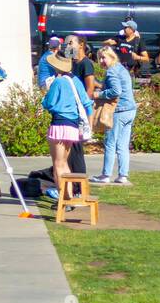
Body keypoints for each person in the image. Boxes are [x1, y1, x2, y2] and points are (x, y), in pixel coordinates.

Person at [41, 52, 93, 194]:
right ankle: (69, 196)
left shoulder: (57, 82)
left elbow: (49, 104)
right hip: (73, 125)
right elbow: (86, 102)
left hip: (59, 124)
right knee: (65, 163)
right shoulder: (75, 80)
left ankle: (63, 198)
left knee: (58, 164)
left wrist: (45, 96)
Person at [90, 45, 138, 186]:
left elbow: (115, 91)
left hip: (119, 110)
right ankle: (123, 175)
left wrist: (98, 94)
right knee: (123, 145)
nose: (102, 61)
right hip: (130, 110)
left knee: (110, 143)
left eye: (104, 57)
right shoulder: (121, 69)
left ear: (112, 56)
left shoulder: (112, 72)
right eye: (100, 58)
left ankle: (106, 175)